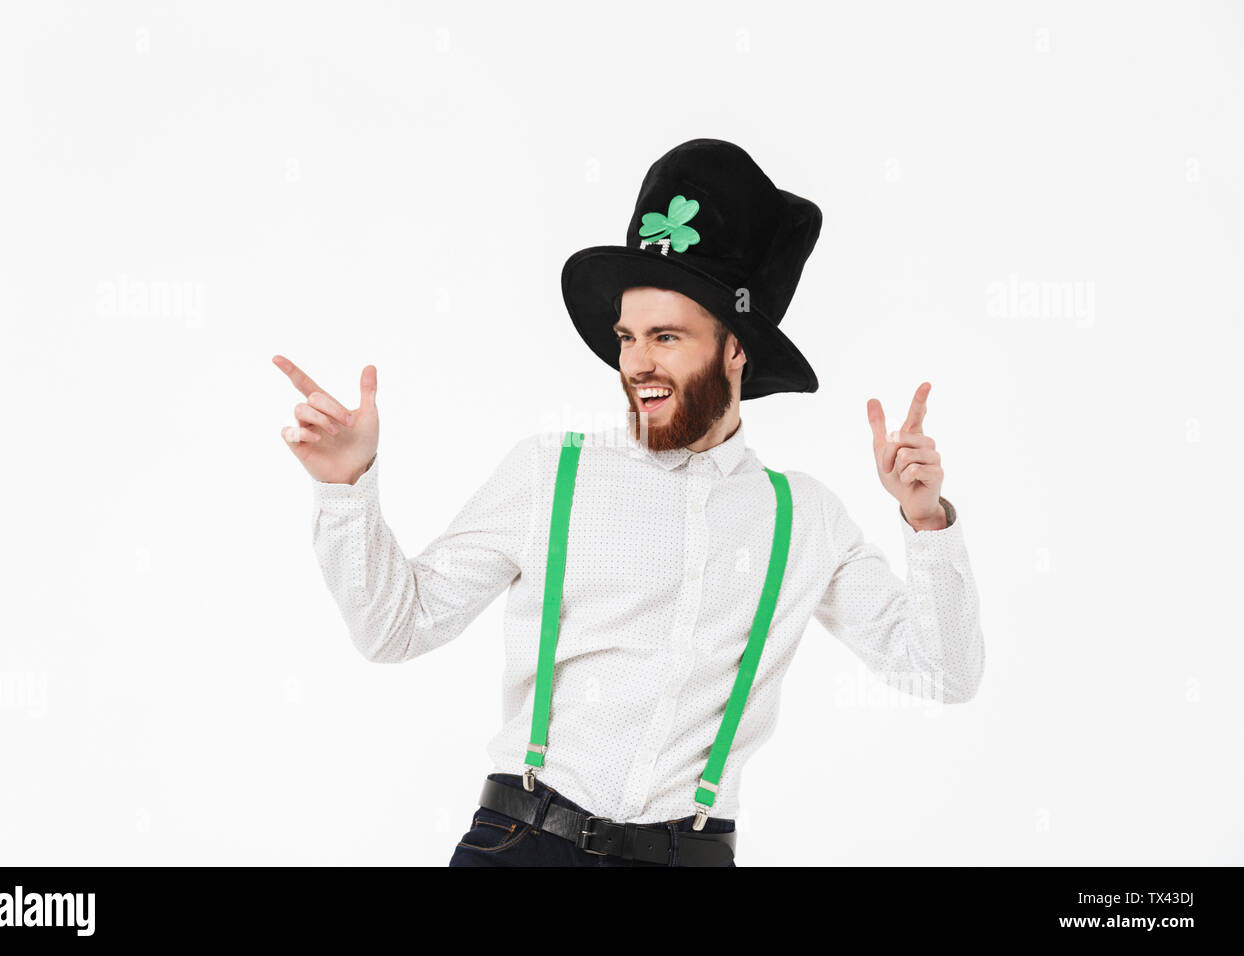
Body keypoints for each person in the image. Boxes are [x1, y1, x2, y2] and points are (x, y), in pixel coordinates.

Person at [274, 139, 984, 867]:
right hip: (524, 844)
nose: (636, 363)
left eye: (667, 337)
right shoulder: (553, 472)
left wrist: (926, 523)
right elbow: (396, 630)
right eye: (627, 337)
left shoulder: (805, 517)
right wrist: (345, 487)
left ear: (735, 349)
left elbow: (944, 673)